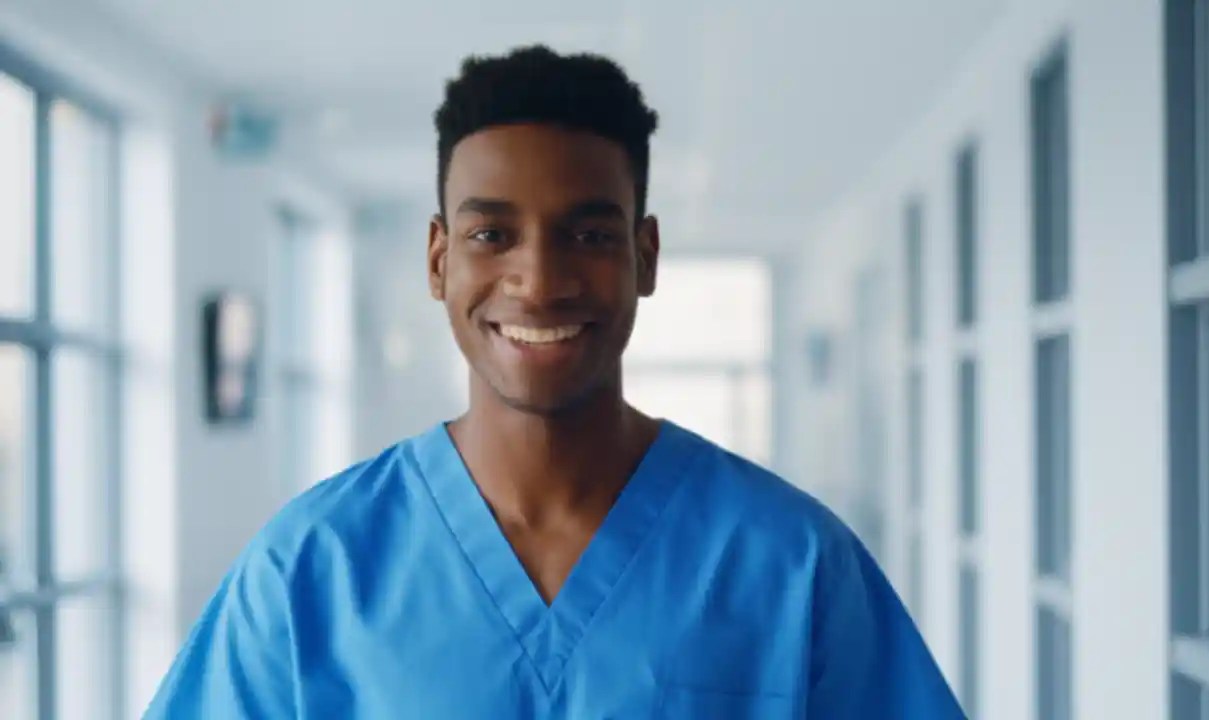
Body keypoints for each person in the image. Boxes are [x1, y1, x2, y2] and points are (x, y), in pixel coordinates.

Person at [145, 45, 963, 719]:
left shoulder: (791, 564)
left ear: (645, 256)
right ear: (439, 261)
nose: (538, 279)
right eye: (493, 233)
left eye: (588, 232)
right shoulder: (311, 570)